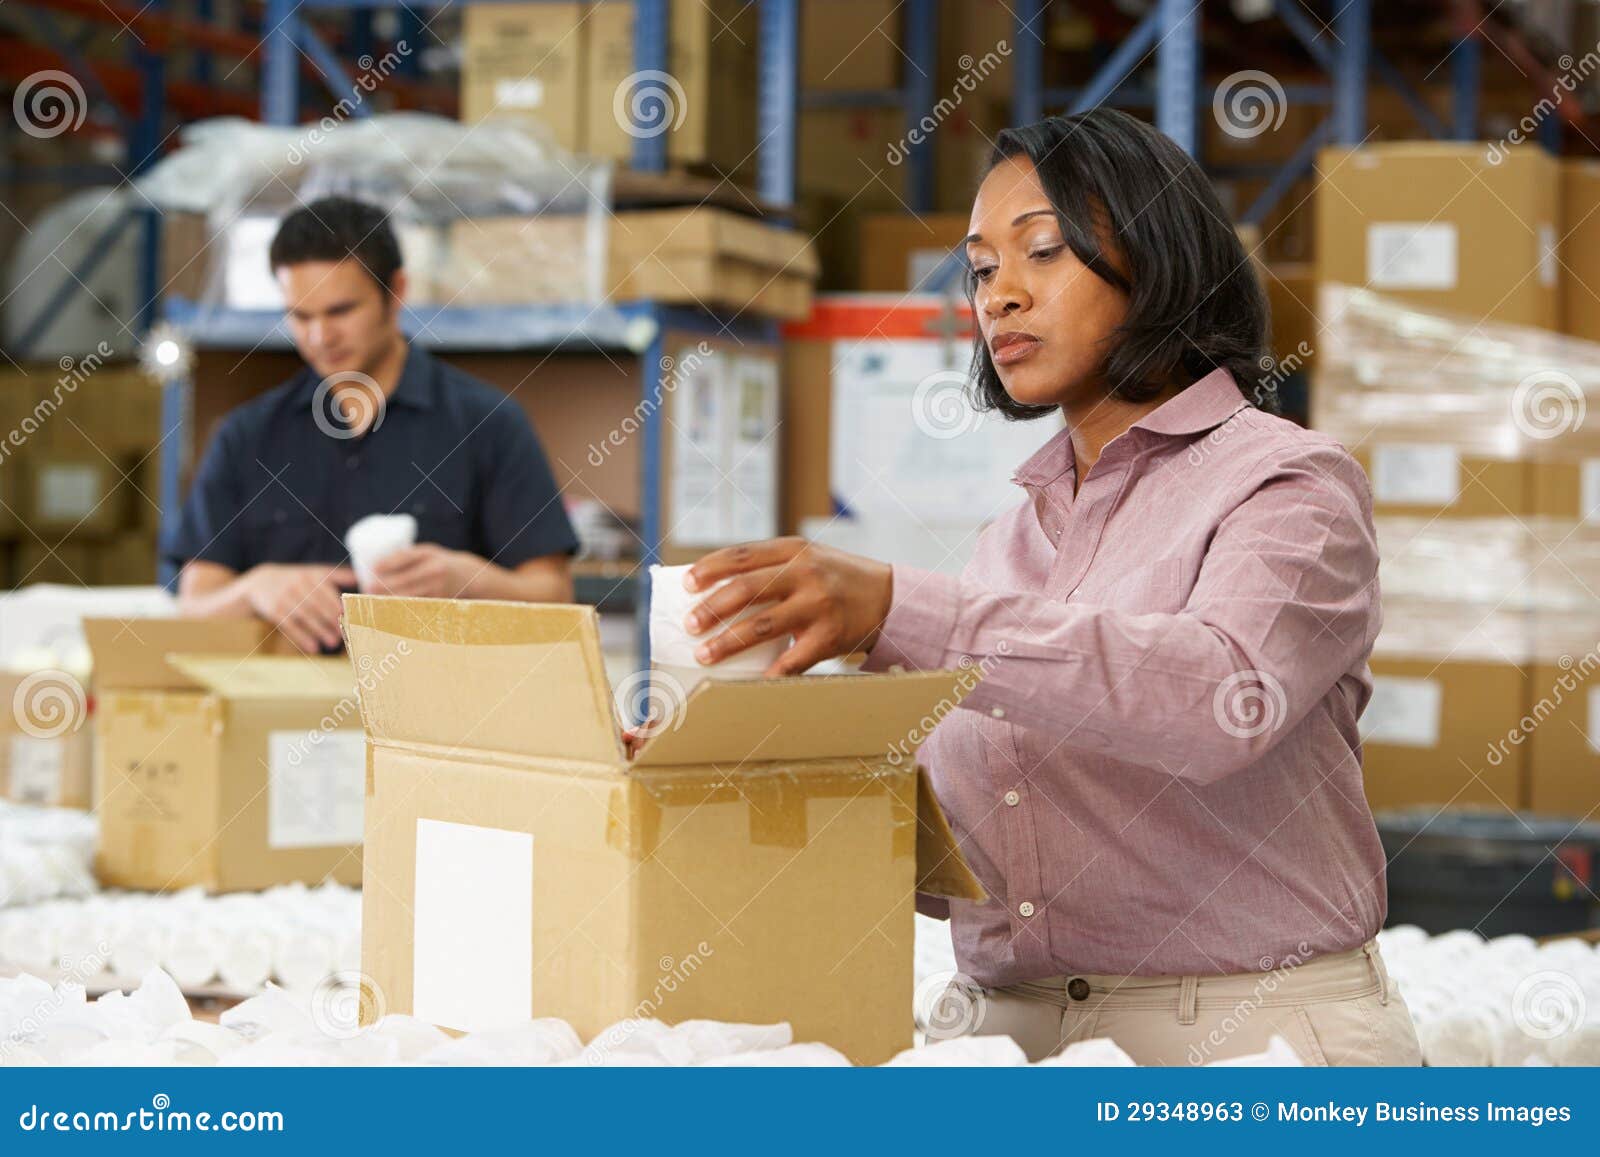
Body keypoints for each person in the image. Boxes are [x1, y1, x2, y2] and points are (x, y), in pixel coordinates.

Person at [674, 109, 1422, 1066]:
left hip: (1243, 1034)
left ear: (1159, 257)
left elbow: (1215, 700)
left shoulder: (1290, 485)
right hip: (1009, 1032)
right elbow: (968, 836)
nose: (1001, 297)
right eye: (983, 269)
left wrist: (900, 610)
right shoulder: (1013, 538)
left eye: (1043, 252)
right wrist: (736, 767)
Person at [165, 197, 579, 652]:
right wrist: (257, 587)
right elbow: (194, 602)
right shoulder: (247, 437)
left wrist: (467, 579)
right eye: (301, 316)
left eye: (341, 311)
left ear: (396, 292)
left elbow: (554, 596)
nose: (321, 337)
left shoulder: (488, 425)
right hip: (284, 707)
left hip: (438, 708)